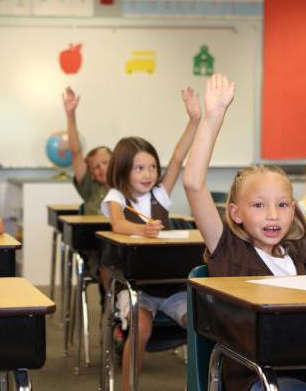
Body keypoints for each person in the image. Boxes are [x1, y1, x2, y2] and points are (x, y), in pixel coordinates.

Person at [182, 73, 306, 391]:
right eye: (259, 206)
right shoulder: (228, 248)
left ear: (294, 208)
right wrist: (213, 117)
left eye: (282, 205)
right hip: (262, 376)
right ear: (235, 213)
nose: (273, 215)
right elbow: (193, 183)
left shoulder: (300, 248)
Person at [100, 86, 201, 391]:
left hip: (171, 288)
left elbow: (179, 156)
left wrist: (194, 120)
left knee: (200, 322)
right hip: (136, 288)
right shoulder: (117, 196)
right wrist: (140, 230)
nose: (148, 174)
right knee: (141, 329)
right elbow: (117, 223)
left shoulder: (161, 194)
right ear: (123, 170)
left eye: (152, 167)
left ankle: (197, 384)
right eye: (139, 168)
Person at [61, 86, 111, 215]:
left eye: (106, 163)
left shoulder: (126, 187)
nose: (102, 169)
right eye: (96, 167)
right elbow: (76, 153)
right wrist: (71, 115)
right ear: (91, 173)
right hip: (93, 235)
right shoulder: (89, 189)